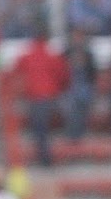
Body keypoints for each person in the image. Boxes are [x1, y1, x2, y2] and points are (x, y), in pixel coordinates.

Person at [13, 32, 70, 166]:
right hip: (51, 96)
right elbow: (64, 75)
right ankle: (48, 157)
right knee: (45, 128)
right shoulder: (53, 56)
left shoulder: (27, 56)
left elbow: (15, 71)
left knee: (40, 129)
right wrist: (60, 89)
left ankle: (45, 158)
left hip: (35, 97)